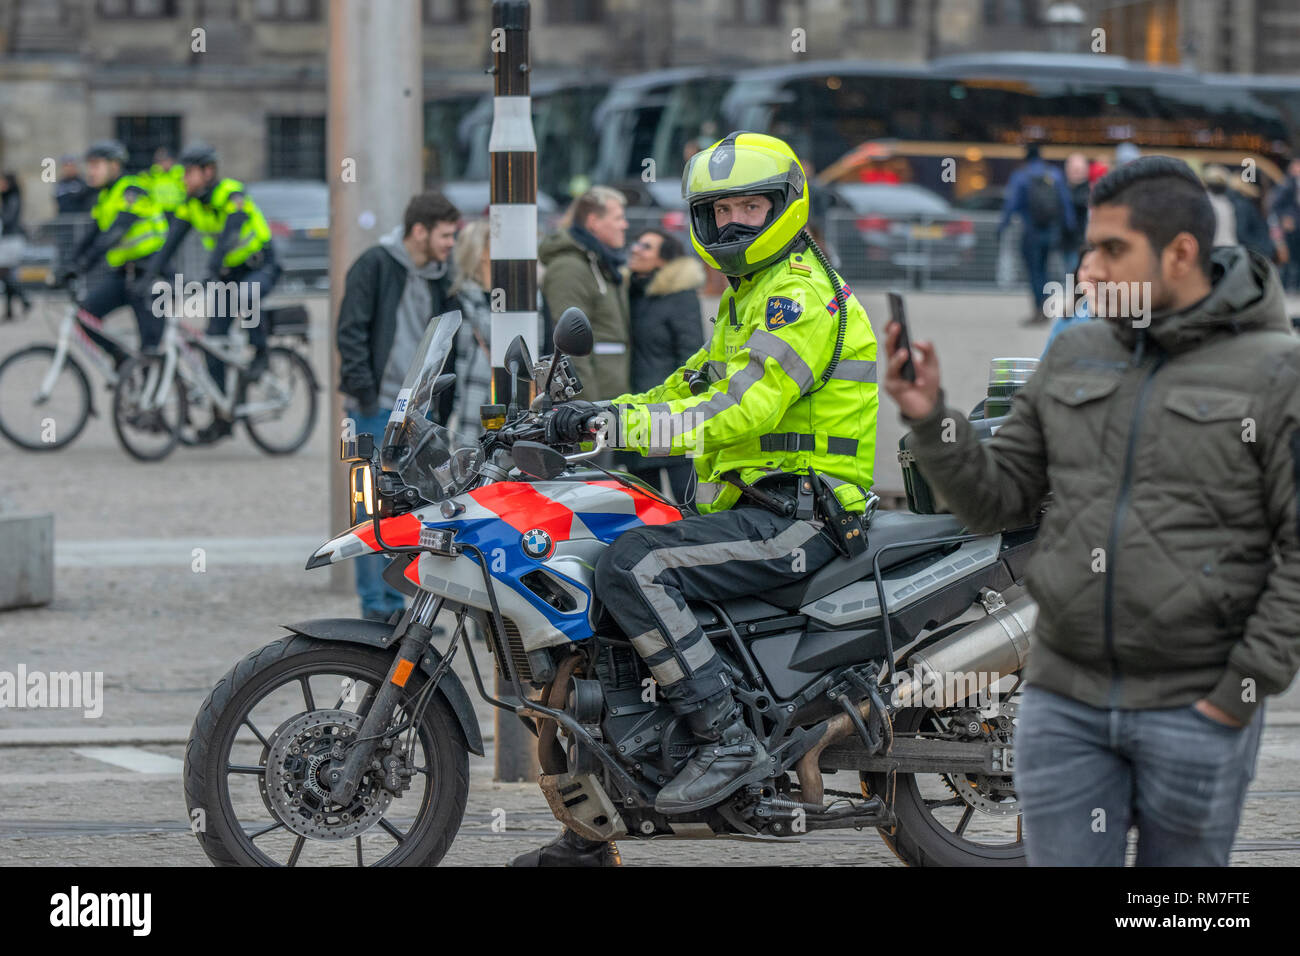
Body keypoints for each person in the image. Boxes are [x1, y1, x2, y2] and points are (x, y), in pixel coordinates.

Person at [884, 156, 1299, 867]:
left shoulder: (1273, 371)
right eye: (1086, 248)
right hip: (1063, 701)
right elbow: (997, 498)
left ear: (1180, 254)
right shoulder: (1075, 349)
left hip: (1195, 703)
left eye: (1113, 250)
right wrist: (931, 421)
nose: (1089, 270)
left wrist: (1237, 691)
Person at [512, 132, 879, 866]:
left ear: (787, 204)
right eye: (722, 211)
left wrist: (617, 423)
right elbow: (688, 386)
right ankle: (591, 832)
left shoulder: (796, 298)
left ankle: (725, 737)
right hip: (756, 506)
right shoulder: (752, 296)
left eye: (752, 206)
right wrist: (585, 412)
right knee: (600, 595)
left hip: (801, 516)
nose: (737, 223)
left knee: (634, 566)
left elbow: (739, 408)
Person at [336, 191, 459, 622]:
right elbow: (350, 331)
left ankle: (403, 609)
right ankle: (376, 607)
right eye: (445, 236)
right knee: (369, 508)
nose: (450, 244)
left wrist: (441, 409)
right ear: (419, 231)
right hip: (374, 410)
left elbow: (449, 346)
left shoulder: (441, 277)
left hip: (418, 418)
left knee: (412, 511)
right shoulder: (374, 265)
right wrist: (366, 394)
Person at [144, 143, 280, 442]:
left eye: (190, 173)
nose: (184, 179)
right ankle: (222, 418)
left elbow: (232, 231)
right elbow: (170, 242)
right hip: (226, 274)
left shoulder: (231, 193)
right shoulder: (190, 204)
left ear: (208, 172)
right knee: (212, 345)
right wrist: (150, 273)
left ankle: (261, 354)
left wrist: (210, 269)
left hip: (259, 266)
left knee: (247, 297)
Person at [56, 140, 168, 352]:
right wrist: (68, 266)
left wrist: (82, 267)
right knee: (85, 316)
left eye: (96, 165)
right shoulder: (105, 196)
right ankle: (122, 361)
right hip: (122, 274)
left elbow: (116, 231)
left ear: (115, 166)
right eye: (89, 166)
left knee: (150, 346)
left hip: (150, 273)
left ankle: (154, 378)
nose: (90, 171)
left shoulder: (133, 189)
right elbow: (92, 235)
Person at [623, 226, 705, 502]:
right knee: (645, 504)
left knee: (687, 502)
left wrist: (683, 406)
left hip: (670, 411)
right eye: (636, 243)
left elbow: (691, 355)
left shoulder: (681, 296)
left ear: (664, 260)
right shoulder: (630, 294)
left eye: (646, 246)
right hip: (635, 407)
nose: (635, 248)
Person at [538, 185, 630, 401]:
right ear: (594, 222)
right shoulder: (570, 268)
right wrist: (586, 410)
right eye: (618, 218)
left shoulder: (600, 263)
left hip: (610, 400)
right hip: (594, 409)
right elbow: (570, 350)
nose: (624, 225)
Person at [997, 144, 1076, 323]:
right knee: (1046, 269)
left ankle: (1038, 310)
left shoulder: (1021, 176)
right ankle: (1046, 309)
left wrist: (1002, 226)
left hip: (1031, 231)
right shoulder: (1054, 174)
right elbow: (1065, 202)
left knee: (1034, 271)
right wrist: (1069, 226)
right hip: (1052, 231)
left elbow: (1011, 205)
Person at [0, 171, 32, 320]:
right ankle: (9, 311)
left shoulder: (12, 197)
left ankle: (25, 298)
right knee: (7, 275)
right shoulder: (7, 198)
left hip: (12, 240)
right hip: (7, 239)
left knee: (4, 274)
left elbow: (8, 219)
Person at [1061, 152, 1091, 276]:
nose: (1075, 173)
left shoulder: (1088, 192)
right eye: (1073, 170)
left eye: (1078, 170)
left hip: (1081, 243)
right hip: (1066, 242)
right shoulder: (1063, 189)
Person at [144, 146, 187, 213]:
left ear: (172, 160)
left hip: (178, 213)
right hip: (157, 214)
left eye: (165, 160)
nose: (163, 164)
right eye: (160, 161)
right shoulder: (151, 176)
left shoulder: (181, 174)